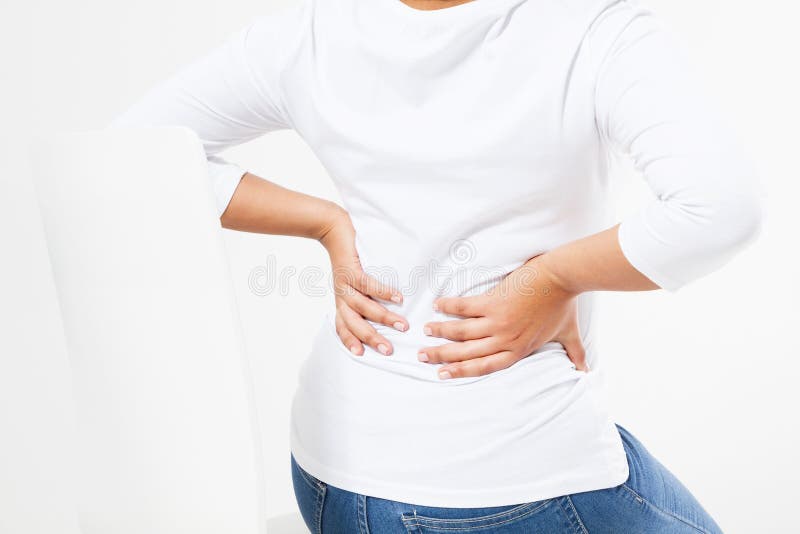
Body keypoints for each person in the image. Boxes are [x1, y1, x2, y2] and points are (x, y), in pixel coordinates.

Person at [111, 0, 762, 531]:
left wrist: (326, 222)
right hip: (503, 482)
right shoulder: (595, 31)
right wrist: (555, 277)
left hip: (329, 472)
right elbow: (719, 207)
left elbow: (132, 149)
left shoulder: (308, 34)